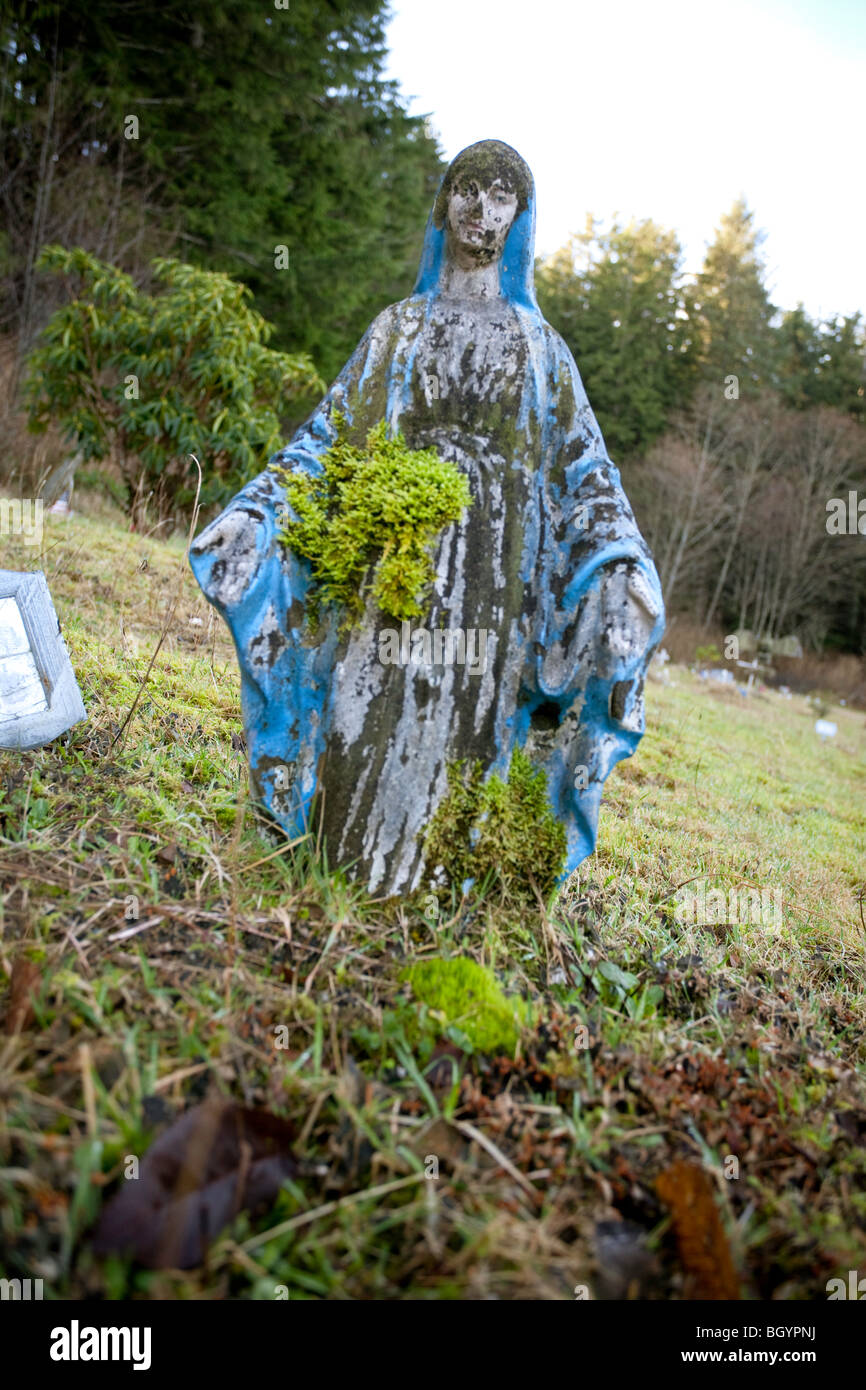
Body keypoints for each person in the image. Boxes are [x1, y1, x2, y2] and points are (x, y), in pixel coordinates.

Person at [190, 140, 665, 896]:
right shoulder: (397, 328)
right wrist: (258, 509)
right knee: (367, 716)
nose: (483, 209)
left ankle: (448, 895)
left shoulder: (544, 349)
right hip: (392, 560)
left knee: (469, 736)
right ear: (444, 205)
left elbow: (587, 475)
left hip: (493, 577)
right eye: (469, 190)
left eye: (503, 194)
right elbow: (325, 438)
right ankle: (335, 878)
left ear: (522, 216)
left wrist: (620, 565)